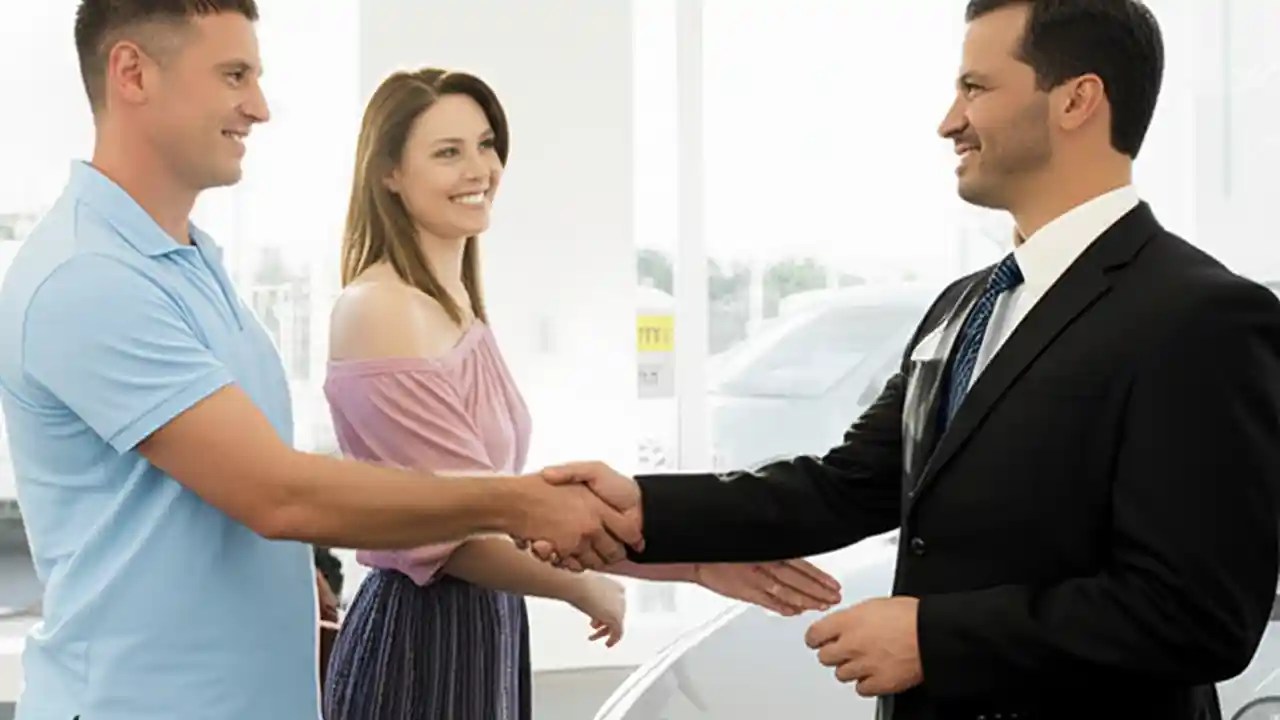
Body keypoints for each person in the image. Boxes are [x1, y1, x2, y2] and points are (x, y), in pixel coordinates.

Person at [531, 1, 1280, 719]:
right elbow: (845, 485)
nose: (948, 120)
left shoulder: (1202, 316)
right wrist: (646, 508)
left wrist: (933, 638)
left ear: (1077, 99)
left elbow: (1197, 614)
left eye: (975, 88)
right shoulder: (965, 305)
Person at [0, 3, 641, 719]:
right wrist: (519, 501)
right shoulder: (89, 276)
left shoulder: (189, 265)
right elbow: (280, 495)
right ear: (132, 73)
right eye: (234, 75)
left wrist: (294, 576)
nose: (260, 108)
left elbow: (226, 494)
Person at [321, 67, 843, 720]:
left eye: (486, 144)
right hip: (422, 638)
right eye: (448, 152)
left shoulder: (449, 306)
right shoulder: (382, 309)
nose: (479, 168)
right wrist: (585, 588)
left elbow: (513, 513)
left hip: (481, 624)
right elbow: (447, 537)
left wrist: (694, 564)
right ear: (389, 172)